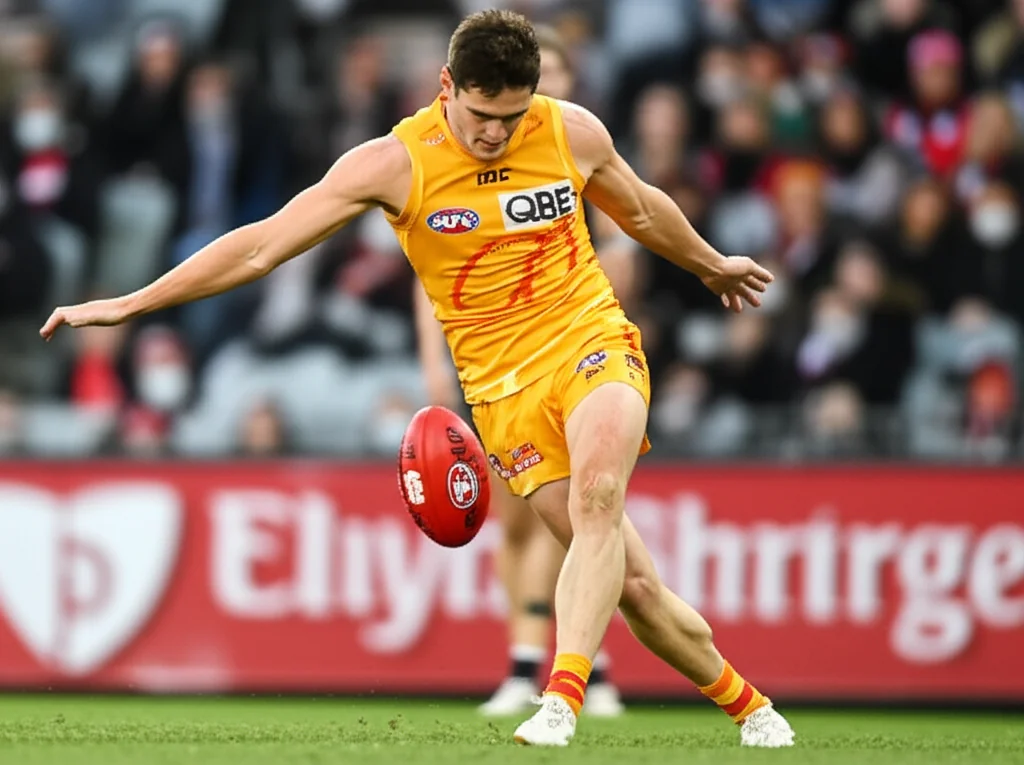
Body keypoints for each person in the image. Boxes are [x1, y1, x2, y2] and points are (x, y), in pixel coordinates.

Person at [40, 10, 794, 749]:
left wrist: (708, 261)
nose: (497, 132)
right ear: (445, 86)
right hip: (503, 393)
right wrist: (131, 302)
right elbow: (260, 248)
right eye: (481, 115)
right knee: (634, 586)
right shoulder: (395, 163)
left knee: (600, 494)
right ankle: (751, 705)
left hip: (590, 341)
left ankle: (561, 697)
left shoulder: (571, 130)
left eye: (512, 115)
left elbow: (638, 208)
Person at [414, 23, 629, 719]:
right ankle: (529, 656)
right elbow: (435, 274)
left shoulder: (568, 143)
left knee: (582, 511)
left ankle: (569, 666)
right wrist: (434, 364)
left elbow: (626, 233)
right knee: (519, 524)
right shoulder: (432, 163)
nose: (504, 127)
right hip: (497, 366)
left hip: (572, 345)